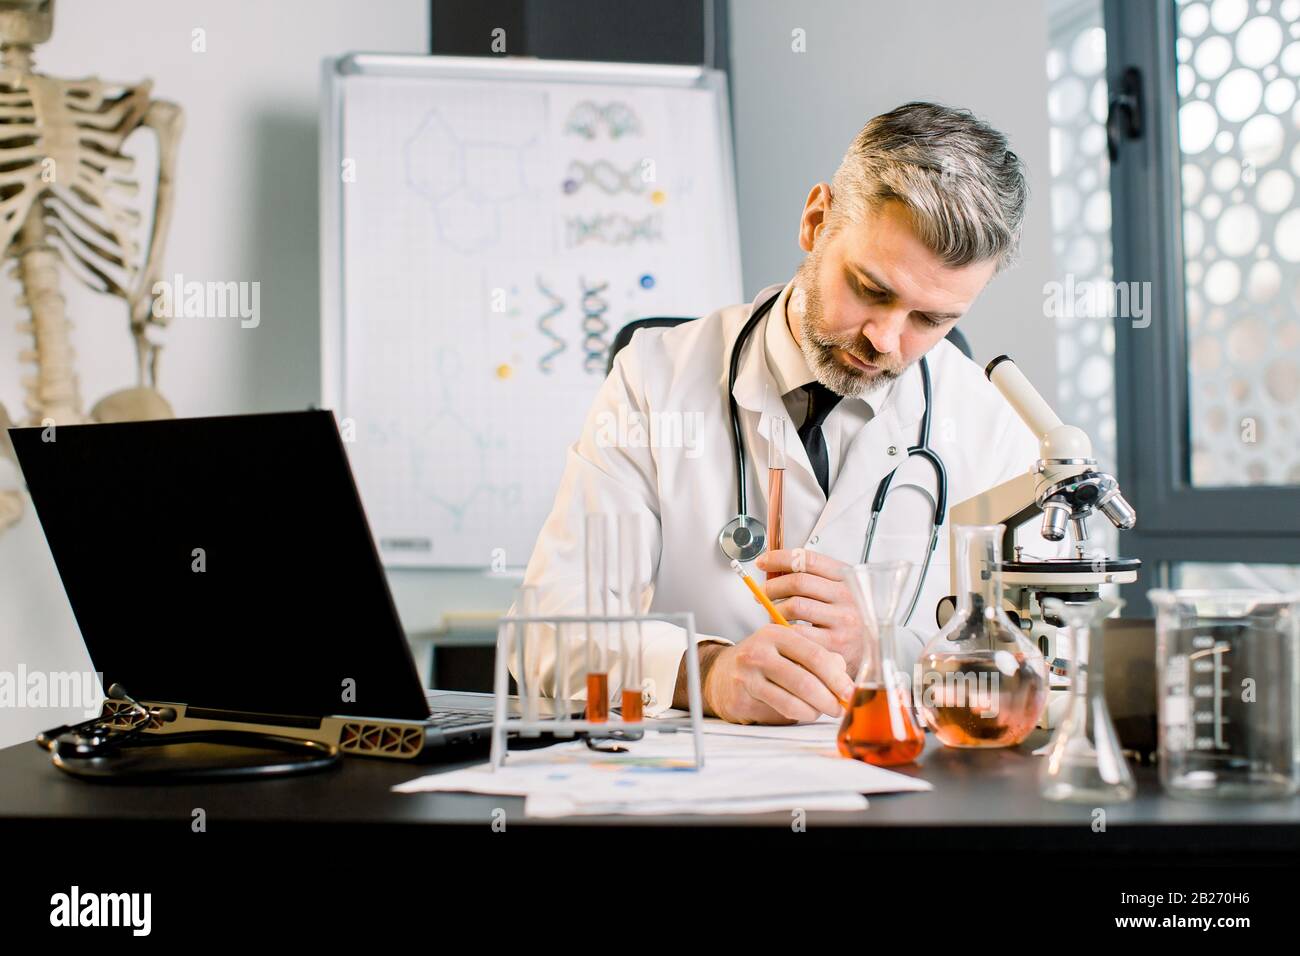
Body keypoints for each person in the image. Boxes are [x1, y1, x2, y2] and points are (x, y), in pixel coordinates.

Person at [514, 101, 1055, 725]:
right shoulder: (652, 380)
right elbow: (544, 631)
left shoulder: (991, 422)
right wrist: (706, 672)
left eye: (931, 320)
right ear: (816, 220)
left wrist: (886, 649)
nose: (885, 339)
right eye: (871, 289)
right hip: (695, 796)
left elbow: (1034, 670)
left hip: (900, 793)